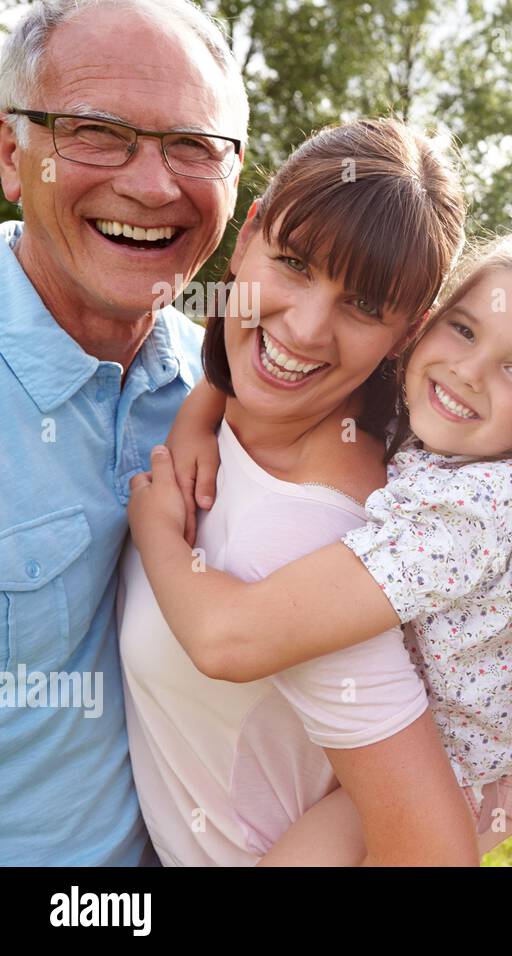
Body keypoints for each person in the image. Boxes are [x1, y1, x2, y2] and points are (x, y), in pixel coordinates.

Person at [118, 117, 478, 865]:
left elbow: (434, 850)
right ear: (247, 234)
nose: (308, 329)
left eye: (365, 306)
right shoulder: (218, 405)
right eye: (293, 264)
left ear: (406, 334)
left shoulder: (311, 540)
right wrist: (205, 406)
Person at [0, 0, 245, 865]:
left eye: (193, 146)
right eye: (96, 133)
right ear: (10, 154)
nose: (151, 185)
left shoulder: (243, 392)